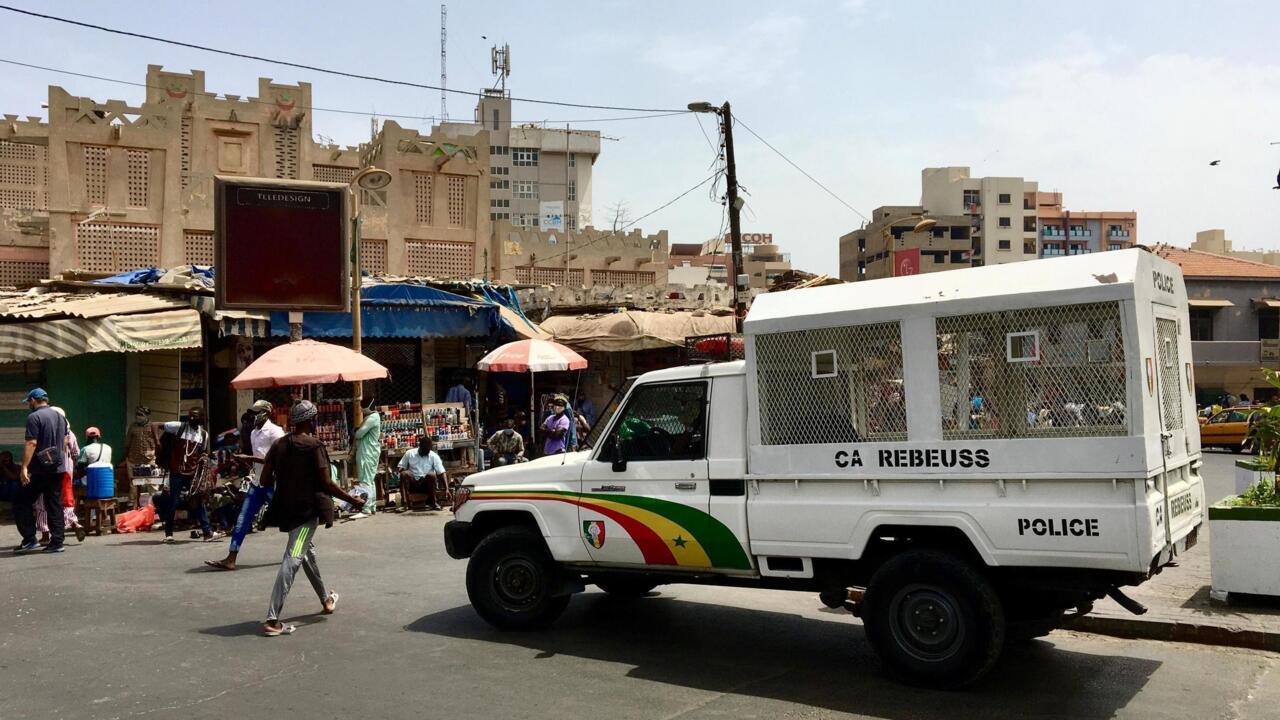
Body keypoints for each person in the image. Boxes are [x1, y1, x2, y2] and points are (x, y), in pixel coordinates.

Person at [258, 400, 364, 637]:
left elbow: (264, 480)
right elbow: (326, 483)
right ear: (310, 421)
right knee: (293, 558)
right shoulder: (314, 446)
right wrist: (353, 500)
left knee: (307, 554)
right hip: (306, 516)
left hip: (286, 511)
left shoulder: (278, 446)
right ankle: (272, 619)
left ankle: (326, 599)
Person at [206, 400, 283, 571]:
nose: (253, 416)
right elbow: (258, 460)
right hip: (257, 482)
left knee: (288, 518)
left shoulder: (276, 432)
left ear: (266, 413)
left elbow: (279, 460)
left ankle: (305, 548)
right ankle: (231, 557)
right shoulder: (254, 433)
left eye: (257, 412)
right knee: (242, 519)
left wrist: (250, 459)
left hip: (273, 483)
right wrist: (247, 463)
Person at [13, 388, 67, 554]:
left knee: (21, 501)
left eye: (29, 401)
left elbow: (31, 443)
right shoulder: (59, 416)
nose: (29, 404)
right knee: (54, 505)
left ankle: (30, 539)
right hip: (57, 468)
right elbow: (64, 441)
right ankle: (57, 542)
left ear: (34, 400)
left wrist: (24, 467)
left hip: (39, 471)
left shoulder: (34, 417)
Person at [159, 407, 219, 543]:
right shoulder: (178, 427)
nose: (192, 419)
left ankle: (207, 532)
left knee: (198, 501)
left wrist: (203, 460)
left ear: (202, 419)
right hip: (176, 472)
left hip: (192, 473)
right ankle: (168, 534)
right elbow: (155, 426)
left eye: (195, 417)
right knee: (173, 502)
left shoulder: (204, 435)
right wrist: (158, 445)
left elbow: (202, 453)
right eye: (190, 416)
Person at [397, 435, 447, 511]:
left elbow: (441, 472)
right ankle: (405, 504)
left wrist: (446, 489)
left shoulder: (433, 456)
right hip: (413, 483)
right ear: (419, 446)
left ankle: (433, 503)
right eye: (423, 450)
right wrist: (401, 473)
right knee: (404, 474)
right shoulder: (409, 453)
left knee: (432, 475)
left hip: (425, 484)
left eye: (427, 451)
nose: (425, 452)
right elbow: (401, 467)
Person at [351, 400, 381, 518]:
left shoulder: (372, 418)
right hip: (369, 451)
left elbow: (359, 434)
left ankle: (366, 508)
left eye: (363, 406)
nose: (362, 409)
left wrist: (355, 431)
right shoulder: (373, 417)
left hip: (367, 452)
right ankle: (372, 506)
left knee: (365, 480)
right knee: (369, 480)